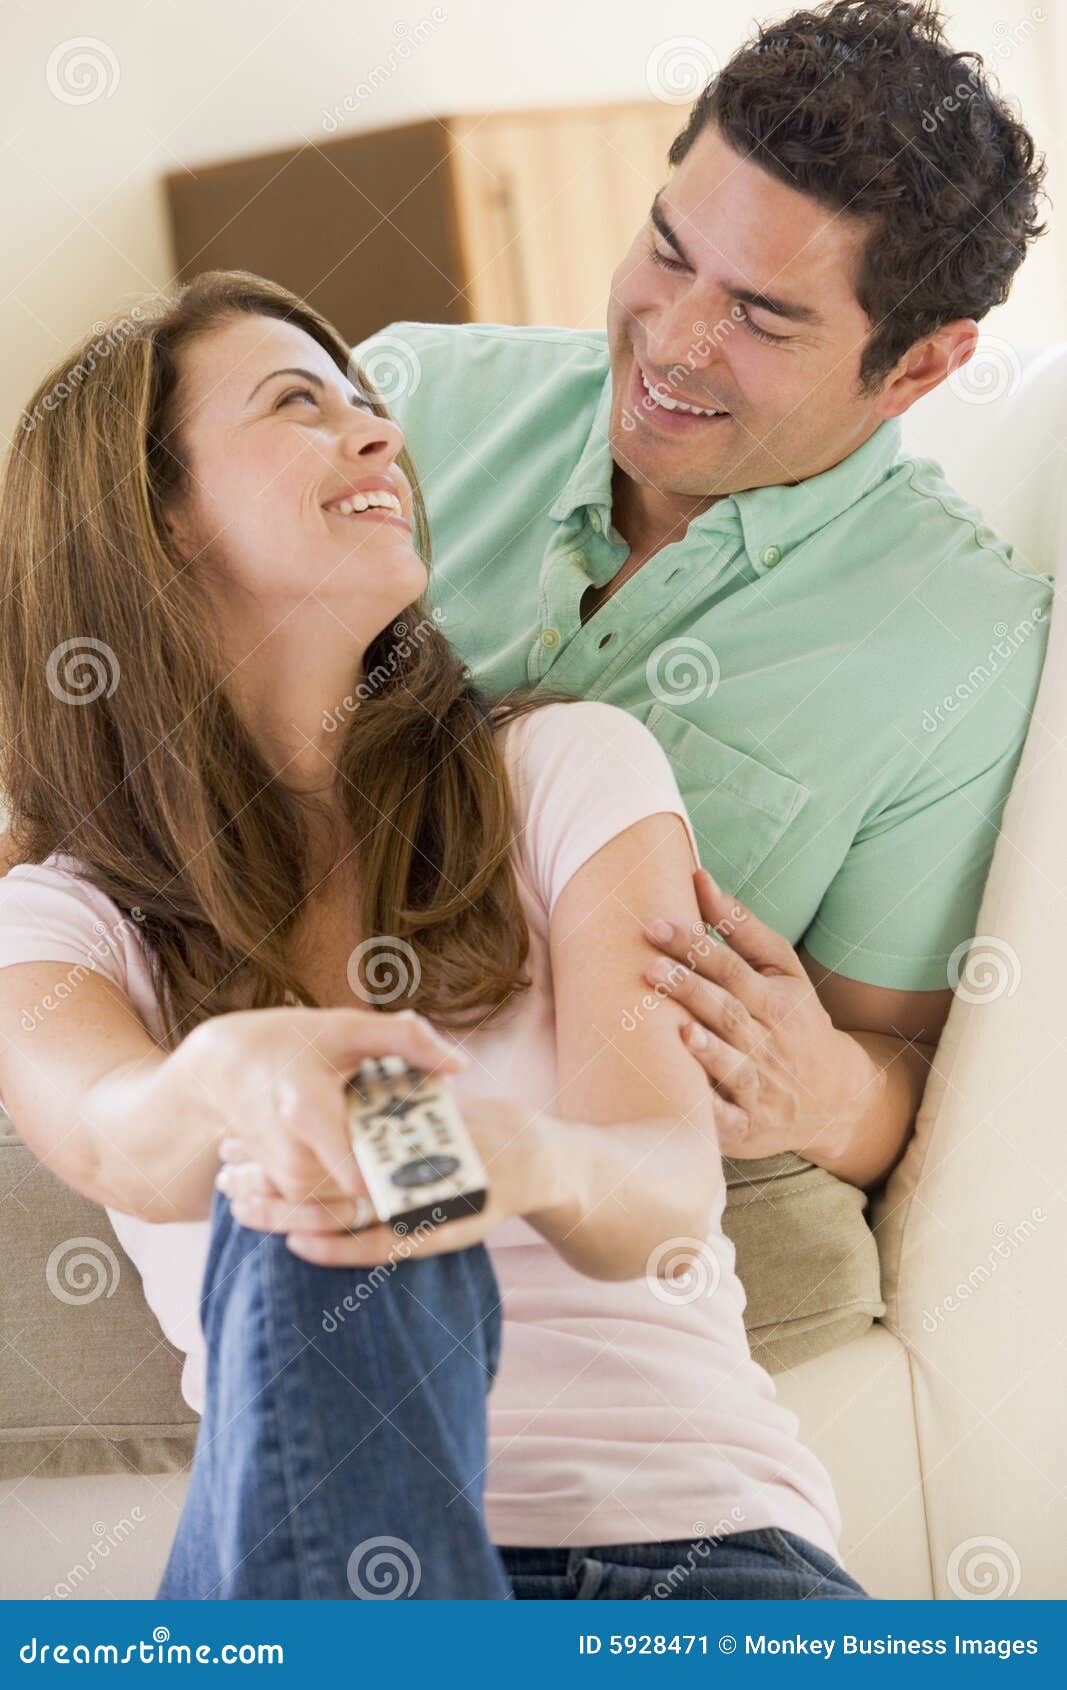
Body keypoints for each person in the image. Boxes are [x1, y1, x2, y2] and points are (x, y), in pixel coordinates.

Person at [0, 271, 865, 1600]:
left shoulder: (566, 769)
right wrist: (237, 1079)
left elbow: (663, 1194)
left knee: (381, 1149)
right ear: (156, 515)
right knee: (327, 1164)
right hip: (306, 1549)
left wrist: (508, 1159)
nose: (380, 436)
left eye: (370, 405)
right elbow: (114, 1130)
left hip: (685, 1555)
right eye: (300, 404)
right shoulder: (64, 910)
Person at [351, 0, 1052, 1192]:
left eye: (764, 317)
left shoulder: (958, 648)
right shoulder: (406, 402)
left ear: (920, 364)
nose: (671, 343)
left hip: (546, 1178)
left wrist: (825, 1091)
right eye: (668, 252)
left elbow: (900, 1056)